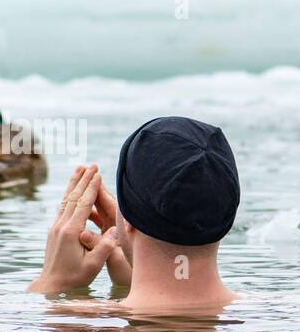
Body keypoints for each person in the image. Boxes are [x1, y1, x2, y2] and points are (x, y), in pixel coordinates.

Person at [29, 116, 241, 312]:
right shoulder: (269, 308)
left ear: (128, 219)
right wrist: (133, 279)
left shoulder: (76, 324)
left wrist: (52, 285)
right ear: (228, 216)